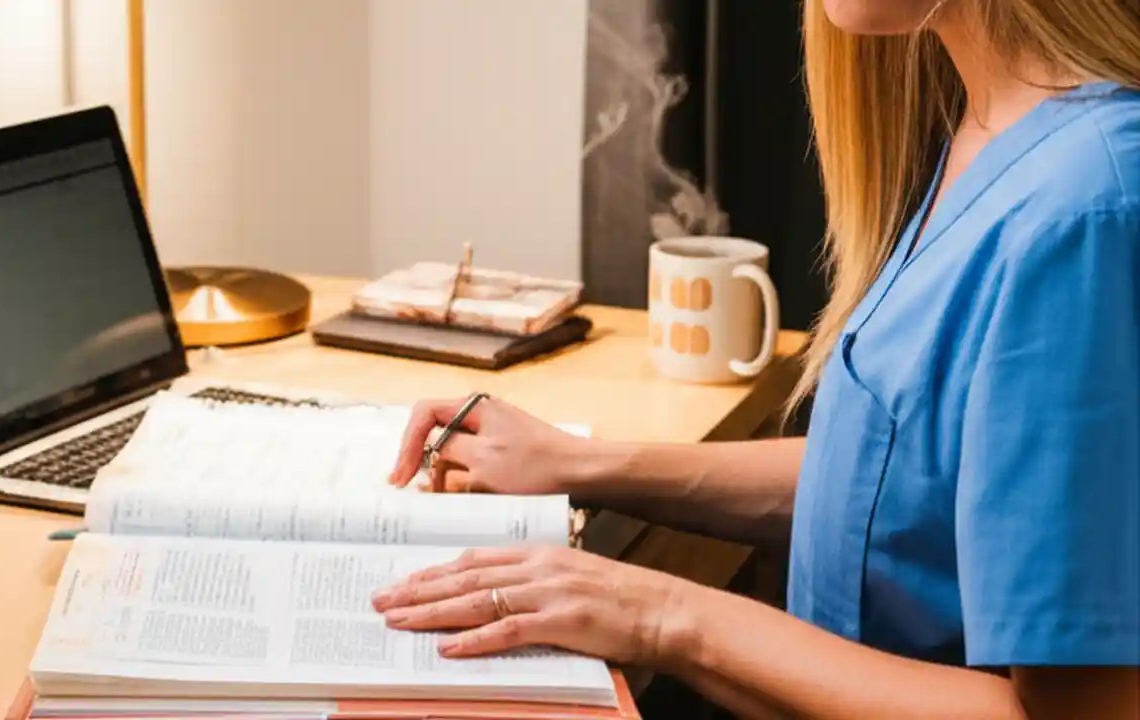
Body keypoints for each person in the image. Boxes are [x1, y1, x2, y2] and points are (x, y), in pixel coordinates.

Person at [370, 0, 1140, 717]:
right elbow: (902, 483)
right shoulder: (987, 130)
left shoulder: (1081, 214)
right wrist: (581, 464)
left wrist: (661, 614)